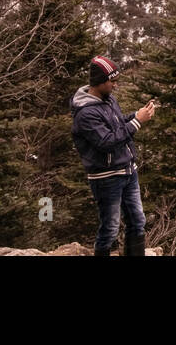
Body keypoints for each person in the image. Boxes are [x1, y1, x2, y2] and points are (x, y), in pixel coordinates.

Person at [70, 55, 158, 257]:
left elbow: (118, 125)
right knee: (110, 229)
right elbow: (107, 142)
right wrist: (137, 122)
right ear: (100, 81)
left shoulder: (108, 100)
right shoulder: (85, 114)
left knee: (138, 221)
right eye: (113, 81)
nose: (116, 85)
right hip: (106, 178)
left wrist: (137, 115)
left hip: (128, 171)